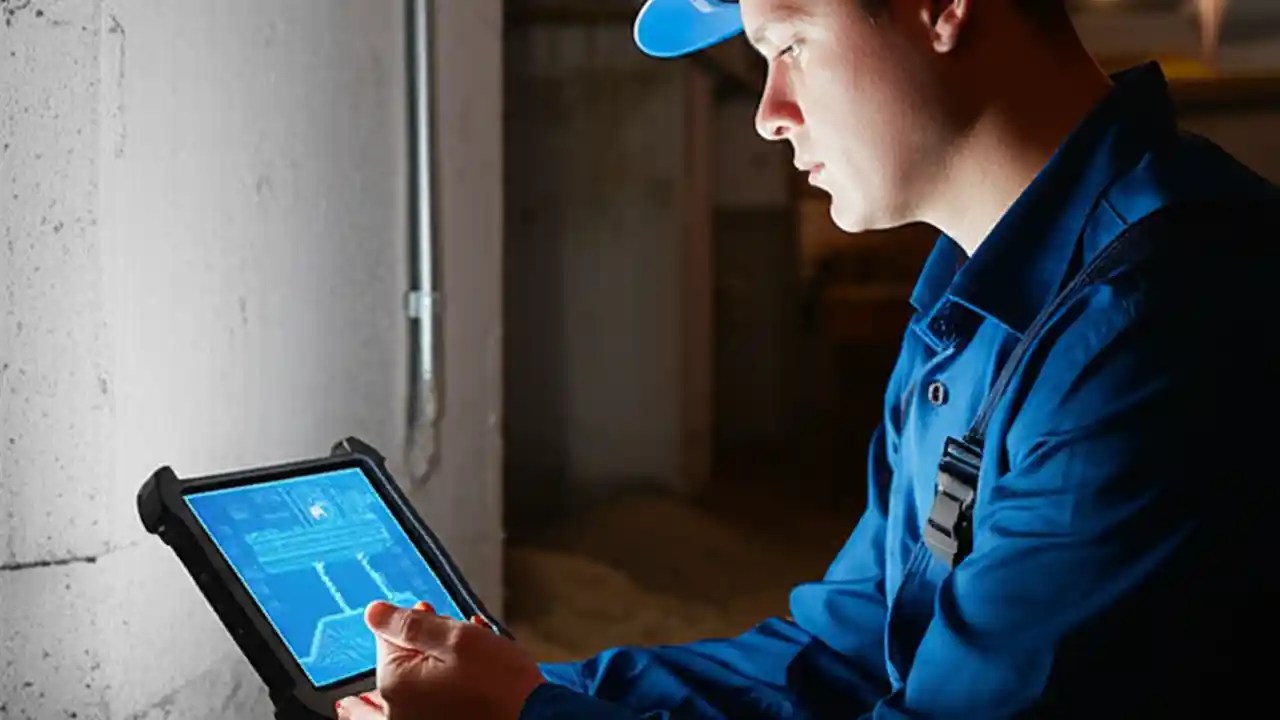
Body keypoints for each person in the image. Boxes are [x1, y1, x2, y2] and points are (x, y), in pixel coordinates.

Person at [337, 0, 1280, 717]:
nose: (768, 114)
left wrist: (533, 715)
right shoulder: (980, 300)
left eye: (787, 44)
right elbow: (852, 647)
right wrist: (529, 686)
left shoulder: (1159, 324)